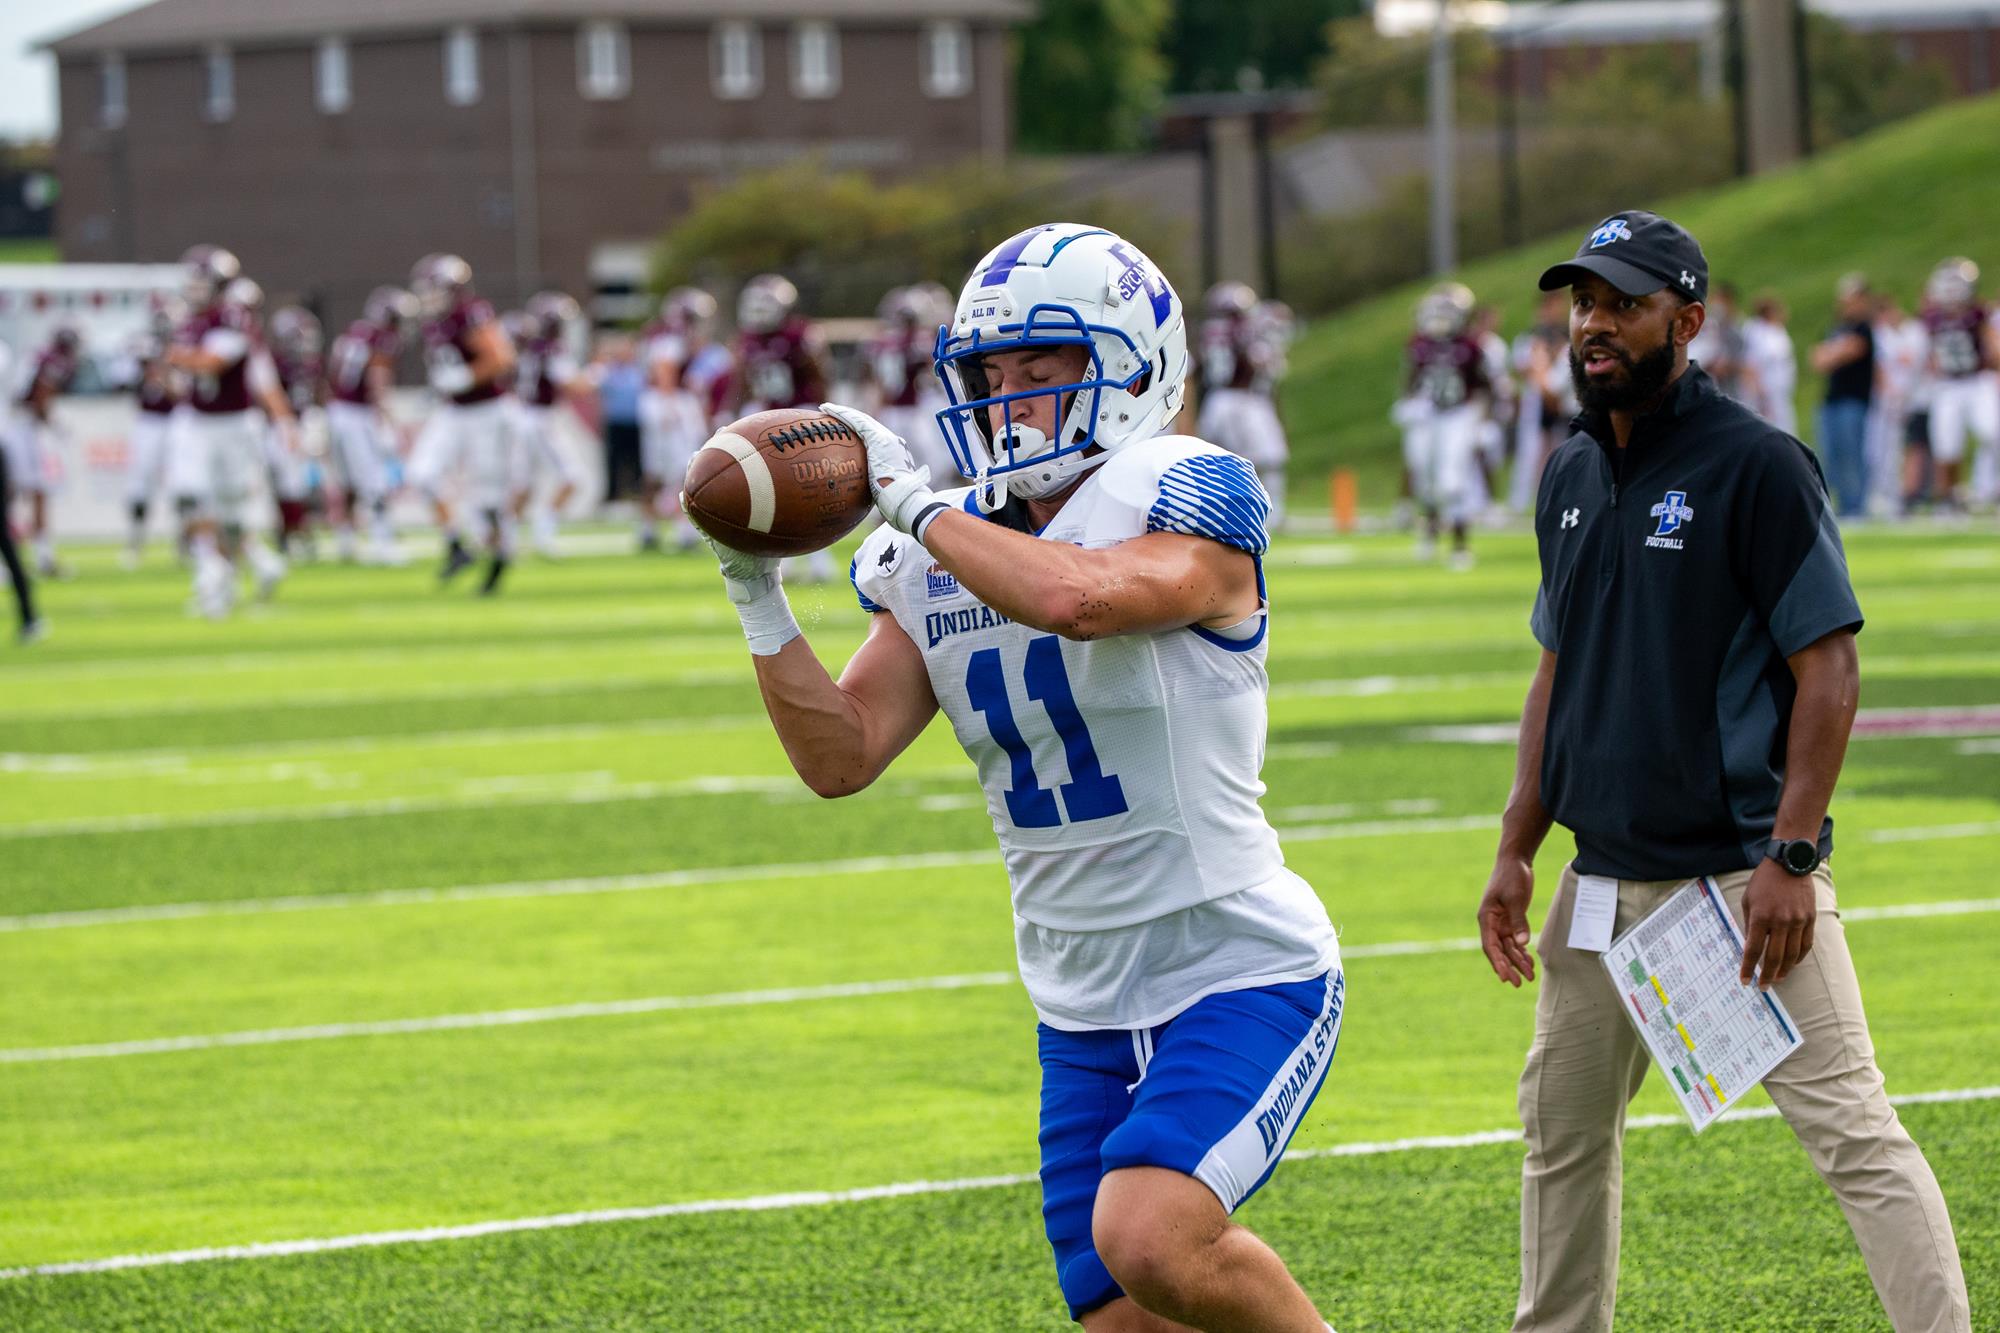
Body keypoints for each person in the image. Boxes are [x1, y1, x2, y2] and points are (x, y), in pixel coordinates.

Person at [695, 223, 1343, 1331]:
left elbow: (1076, 599)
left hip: (1233, 960)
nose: (1010, 399)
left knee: (1151, 1236)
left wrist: (918, 506)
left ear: (1134, 369)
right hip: (1074, 990)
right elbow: (840, 755)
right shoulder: (932, 555)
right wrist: (757, 595)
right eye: (992, 374)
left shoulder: (1178, 490)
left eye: (1044, 367)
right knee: (1120, 1311)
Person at [1477, 210, 1969, 1333]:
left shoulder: (1757, 465)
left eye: (1624, 304)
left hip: (1739, 883)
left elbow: (1828, 668)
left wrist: (1790, 853)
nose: (1593, 324)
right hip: (1599, 880)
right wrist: (1516, 844)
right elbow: (1557, 669)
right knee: (1559, 1137)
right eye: (1582, 302)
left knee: (1853, 1135)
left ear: (1687, 321)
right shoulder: (1567, 466)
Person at [166, 248, 291, 617]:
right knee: (189, 493)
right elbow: (182, 380)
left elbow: (213, 364)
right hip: (197, 421)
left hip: (235, 424)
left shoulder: (233, 318)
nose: (194, 288)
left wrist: (174, 355)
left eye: (202, 281)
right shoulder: (190, 322)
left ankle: (228, 579)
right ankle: (211, 571)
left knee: (231, 513)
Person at [407, 253, 518, 592]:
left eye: (434, 288)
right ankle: (457, 545)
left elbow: (501, 358)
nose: (428, 296)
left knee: (488, 496)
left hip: (487, 410)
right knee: (422, 473)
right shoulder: (433, 322)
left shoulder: (470, 312)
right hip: (453, 411)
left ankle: (499, 556)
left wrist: (466, 377)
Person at [730, 272, 835, 583]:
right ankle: (783, 557)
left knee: (810, 487)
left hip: (801, 413)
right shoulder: (748, 340)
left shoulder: (800, 334)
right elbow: (743, 380)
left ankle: (819, 558)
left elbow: (819, 375)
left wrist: (824, 415)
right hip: (768, 416)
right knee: (774, 489)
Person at [1400, 282, 1490, 568]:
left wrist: (1480, 420)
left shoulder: (1470, 347)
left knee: (1452, 481)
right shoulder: (1420, 344)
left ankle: (1460, 544)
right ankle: (1429, 533)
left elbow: (1482, 385)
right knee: (1425, 477)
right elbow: (1412, 378)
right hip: (1427, 415)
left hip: (1457, 415)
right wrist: (1409, 403)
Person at [325, 286, 417, 565]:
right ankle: (382, 542)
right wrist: (387, 418)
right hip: (358, 414)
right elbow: (377, 378)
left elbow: (334, 372)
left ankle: (346, 540)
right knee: (374, 480)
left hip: (336, 409)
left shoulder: (354, 331)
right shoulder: (382, 338)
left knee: (347, 481)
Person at [505, 293, 585, 559]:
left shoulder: (530, 347)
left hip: (525, 415)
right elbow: (571, 384)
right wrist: (599, 375)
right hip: (541, 419)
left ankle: (506, 538)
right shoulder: (550, 349)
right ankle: (543, 533)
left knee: (524, 484)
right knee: (572, 476)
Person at [1919, 256, 2000, 512]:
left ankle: (1989, 487)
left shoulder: (1979, 314)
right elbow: (1929, 354)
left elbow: (1992, 346)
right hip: (1947, 385)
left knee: (1991, 431)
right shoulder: (1932, 318)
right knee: (1947, 446)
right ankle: (1949, 498)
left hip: (1977, 380)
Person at [2, 325, 81, 579]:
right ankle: (37, 557)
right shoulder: (49, 361)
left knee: (24, 493)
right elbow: (39, 395)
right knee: (28, 492)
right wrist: (54, 424)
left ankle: (38, 556)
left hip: (19, 424)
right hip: (20, 426)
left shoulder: (37, 357)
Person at [123, 295, 184, 567]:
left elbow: (180, 392)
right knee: (140, 482)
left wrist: (165, 373)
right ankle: (136, 542)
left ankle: (185, 542)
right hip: (148, 421)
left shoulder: (183, 346)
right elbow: (125, 380)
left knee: (181, 482)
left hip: (176, 419)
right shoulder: (141, 345)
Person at [1810, 273, 1875, 519]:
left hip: (1853, 399)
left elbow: (1850, 351)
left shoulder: (1864, 328)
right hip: (1831, 400)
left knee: (1852, 453)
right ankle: (1837, 503)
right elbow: (1817, 359)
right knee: (1830, 454)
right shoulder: (1836, 327)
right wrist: (1836, 352)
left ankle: (1855, 505)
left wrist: (1833, 353)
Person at [1740, 290, 1798, 434]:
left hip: (1781, 393)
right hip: (1765, 394)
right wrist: (1760, 395)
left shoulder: (1777, 330)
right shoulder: (1755, 331)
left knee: (1786, 429)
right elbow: (1750, 364)